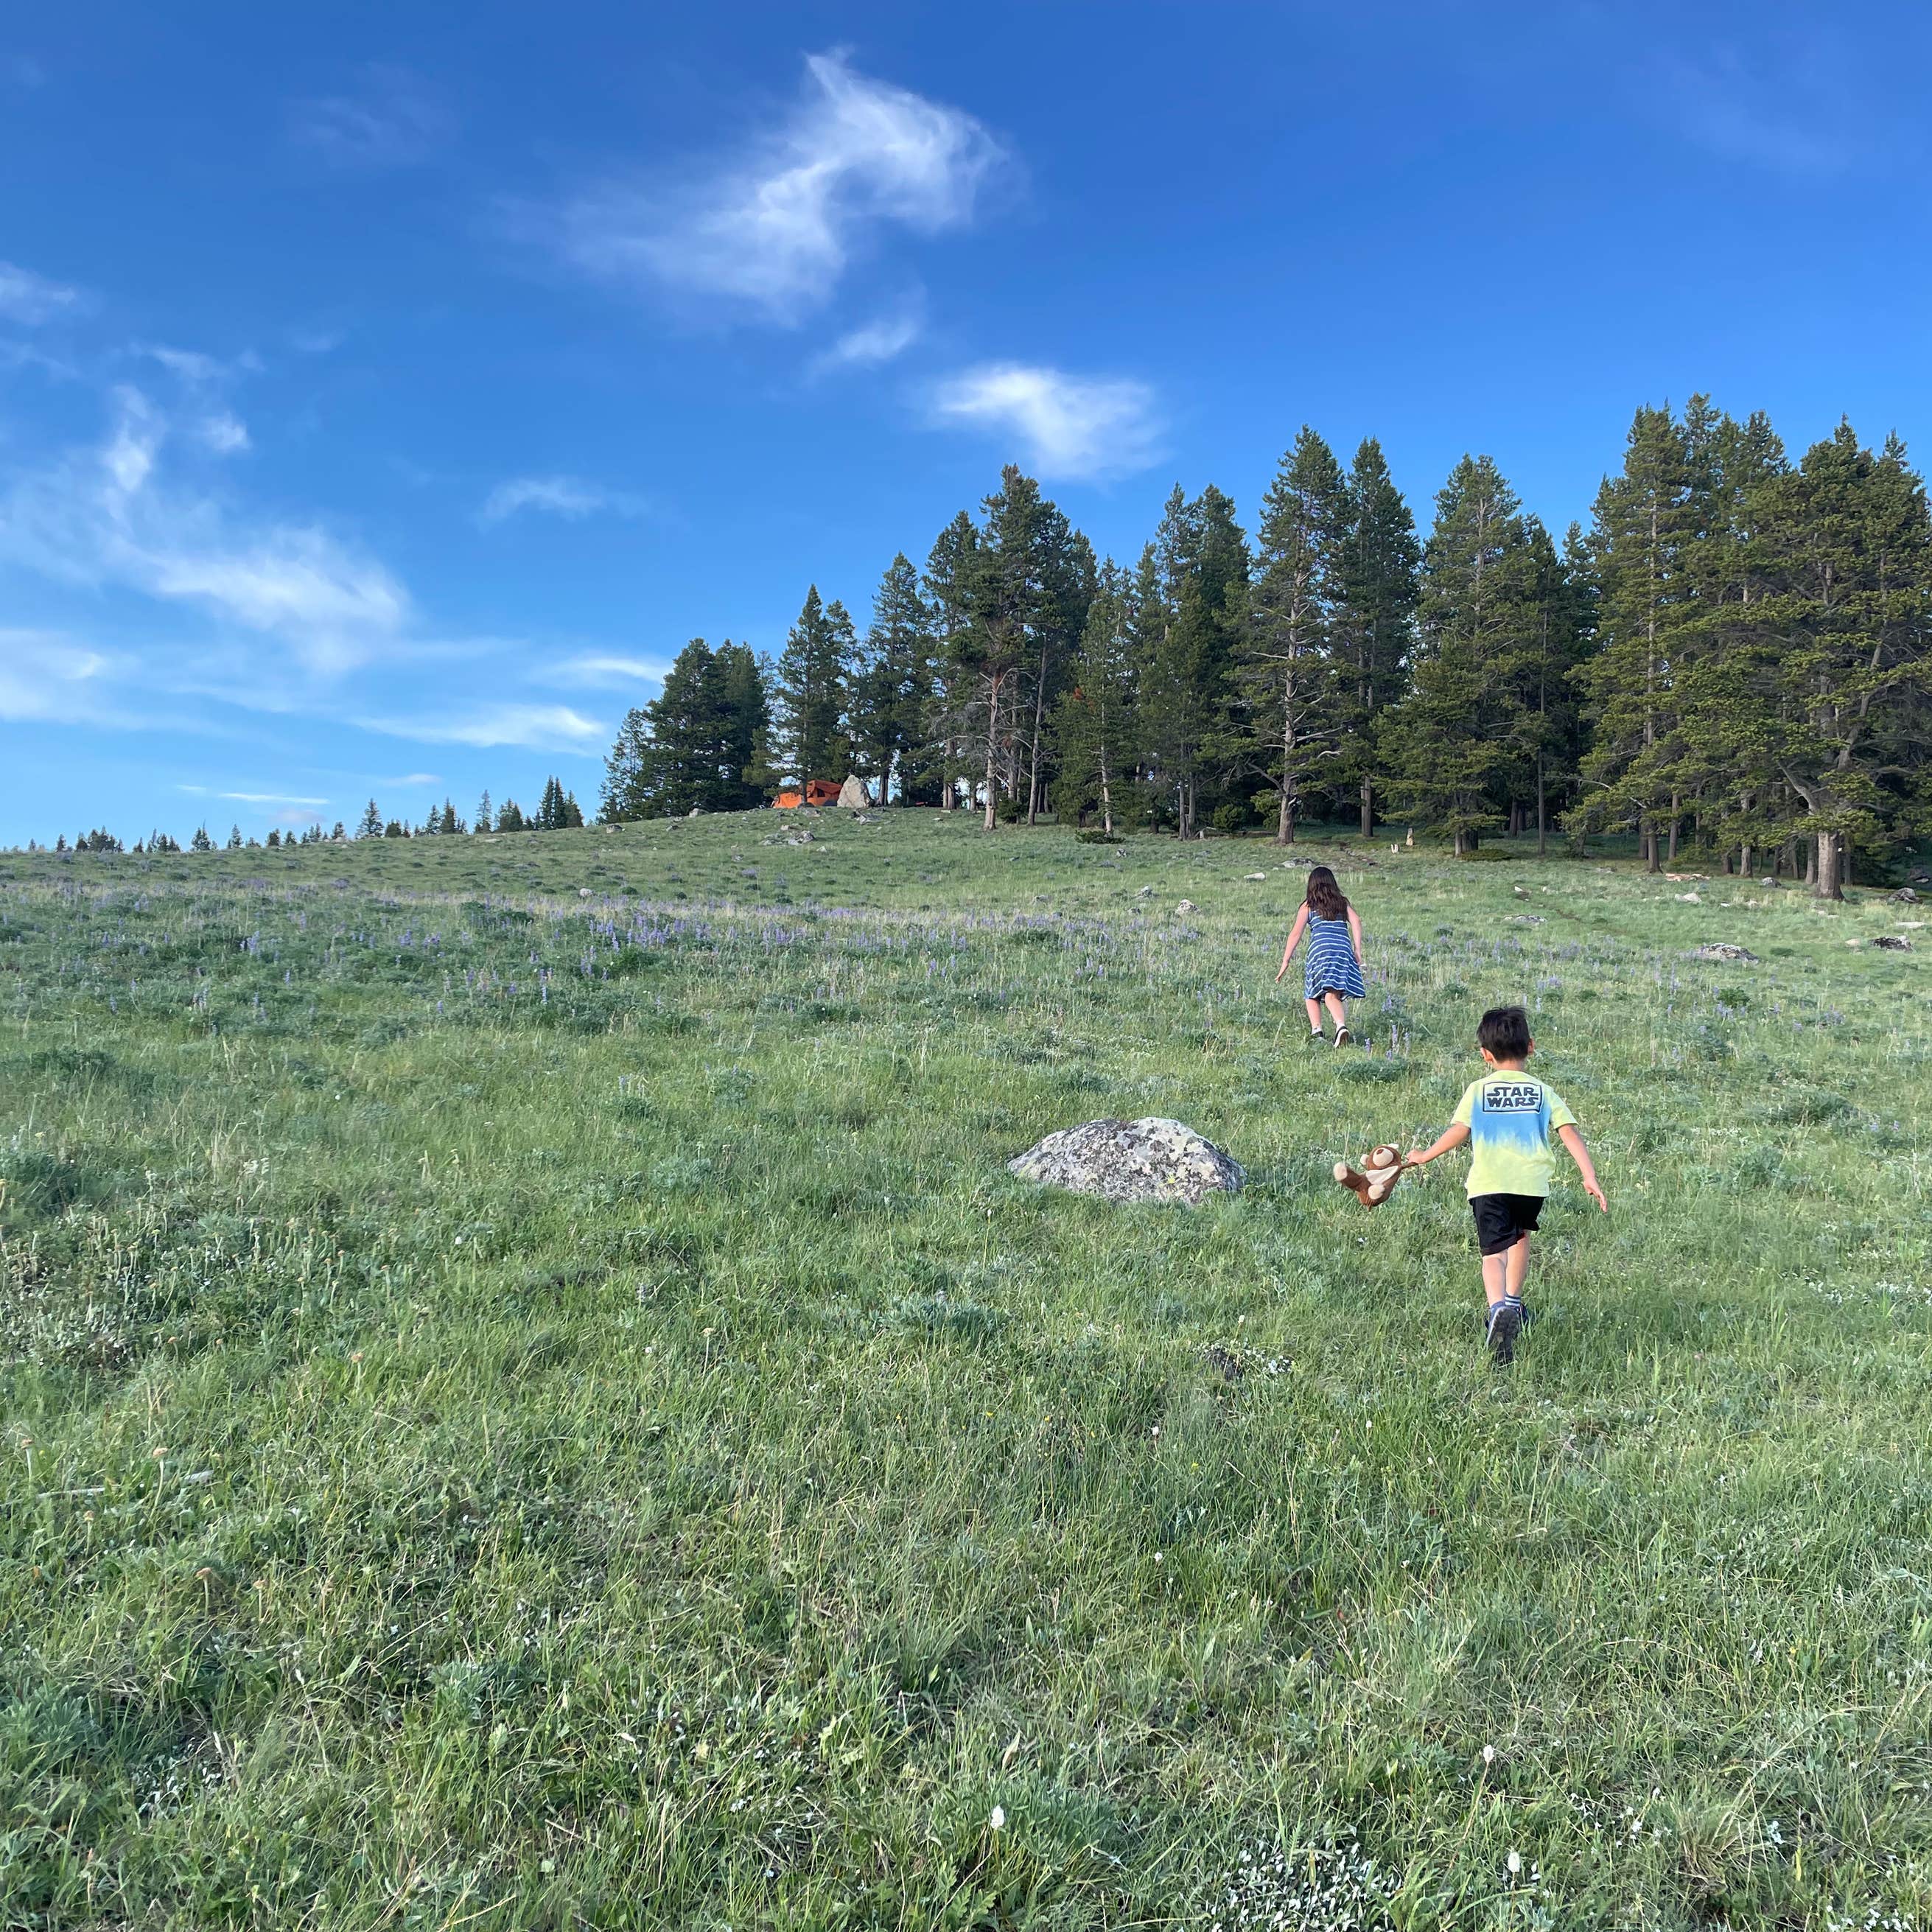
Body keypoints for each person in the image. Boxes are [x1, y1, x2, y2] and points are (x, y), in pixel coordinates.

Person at [1404, 1004, 1607, 1363]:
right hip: (1530, 1186)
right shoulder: (1542, 1091)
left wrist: (1425, 1156)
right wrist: (1589, 1175)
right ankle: (1514, 1304)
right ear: (1531, 1046)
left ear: (1485, 1054)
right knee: (1520, 1237)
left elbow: (1459, 1131)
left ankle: (1497, 1308)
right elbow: (1568, 1132)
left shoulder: (1478, 1090)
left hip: (1489, 1184)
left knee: (1493, 1254)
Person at [1274, 864, 1367, 1046]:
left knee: (1312, 990)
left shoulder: (1308, 906)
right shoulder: (1341, 902)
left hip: (1320, 951)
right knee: (1333, 992)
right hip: (1342, 950)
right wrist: (1357, 949)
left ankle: (1327, 1028)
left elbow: (1295, 934)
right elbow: (1356, 921)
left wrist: (1286, 961)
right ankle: (1336, 1028)